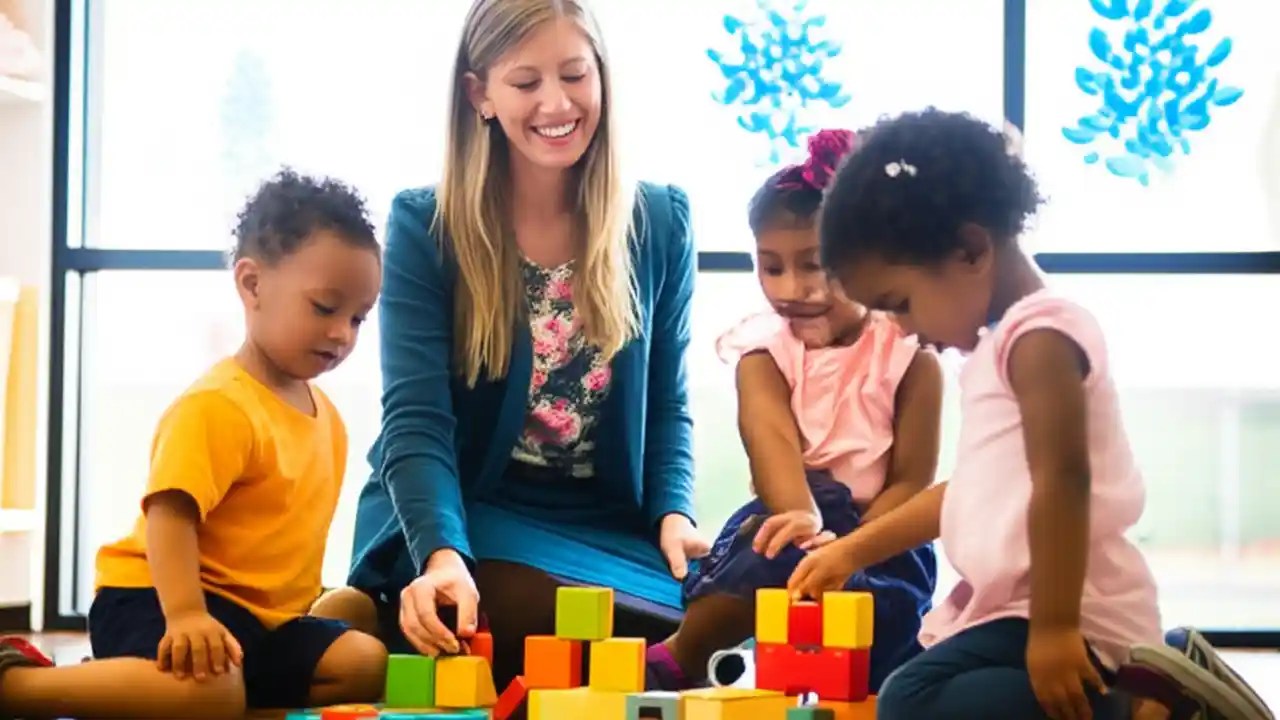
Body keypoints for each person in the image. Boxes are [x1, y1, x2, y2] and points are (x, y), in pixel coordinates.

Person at [787, 108, 1271, 720]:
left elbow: (1065, 479)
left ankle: (1151, 707)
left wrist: (1054, 628)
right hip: (1021, 611)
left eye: (901, 304)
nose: (903, 329)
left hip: (1075, 610)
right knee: (911, 683)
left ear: (970, 250)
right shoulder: (1000, 348)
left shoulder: (1040, 338)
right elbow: (967, 494)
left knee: (911, 700)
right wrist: (852, 551)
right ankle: (1146, 690)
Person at [309, 0, 709, 693]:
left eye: (575, 75)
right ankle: (395, 606)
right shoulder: (424, 225)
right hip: (469, 515)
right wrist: (439, 553)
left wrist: (675, 515)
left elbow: (668, 405)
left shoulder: (661, 221)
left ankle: (387, 625)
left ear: (602, 78)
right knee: (500, 599)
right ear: (479, 95)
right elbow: (416, 421)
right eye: (526, 83)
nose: (556, 103)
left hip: (600, 525)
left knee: (702, 620)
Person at [0, 169, 388, 718]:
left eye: (358, 318)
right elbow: (170, 516)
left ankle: (160, 694)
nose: (342, 334)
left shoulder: (328, 419)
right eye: (325, 308)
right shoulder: (219, 404)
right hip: (160, 598)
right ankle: (16, 685)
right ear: (252, 284)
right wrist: (185, 616)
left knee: (367, 663)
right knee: (211, 691)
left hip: (258, 623)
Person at [644, 129, 942, 693]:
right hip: (793, 513)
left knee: (882, 611)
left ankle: (874, 680)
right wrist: (808, 526)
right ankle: (685, 652)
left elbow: (912, 481)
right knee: (765, 553)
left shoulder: (912, 354)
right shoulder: (763, 356)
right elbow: (772, 447)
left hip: (882, 530)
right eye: (771, 266)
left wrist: (854, 549)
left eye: (814, 266)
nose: (791, 287)